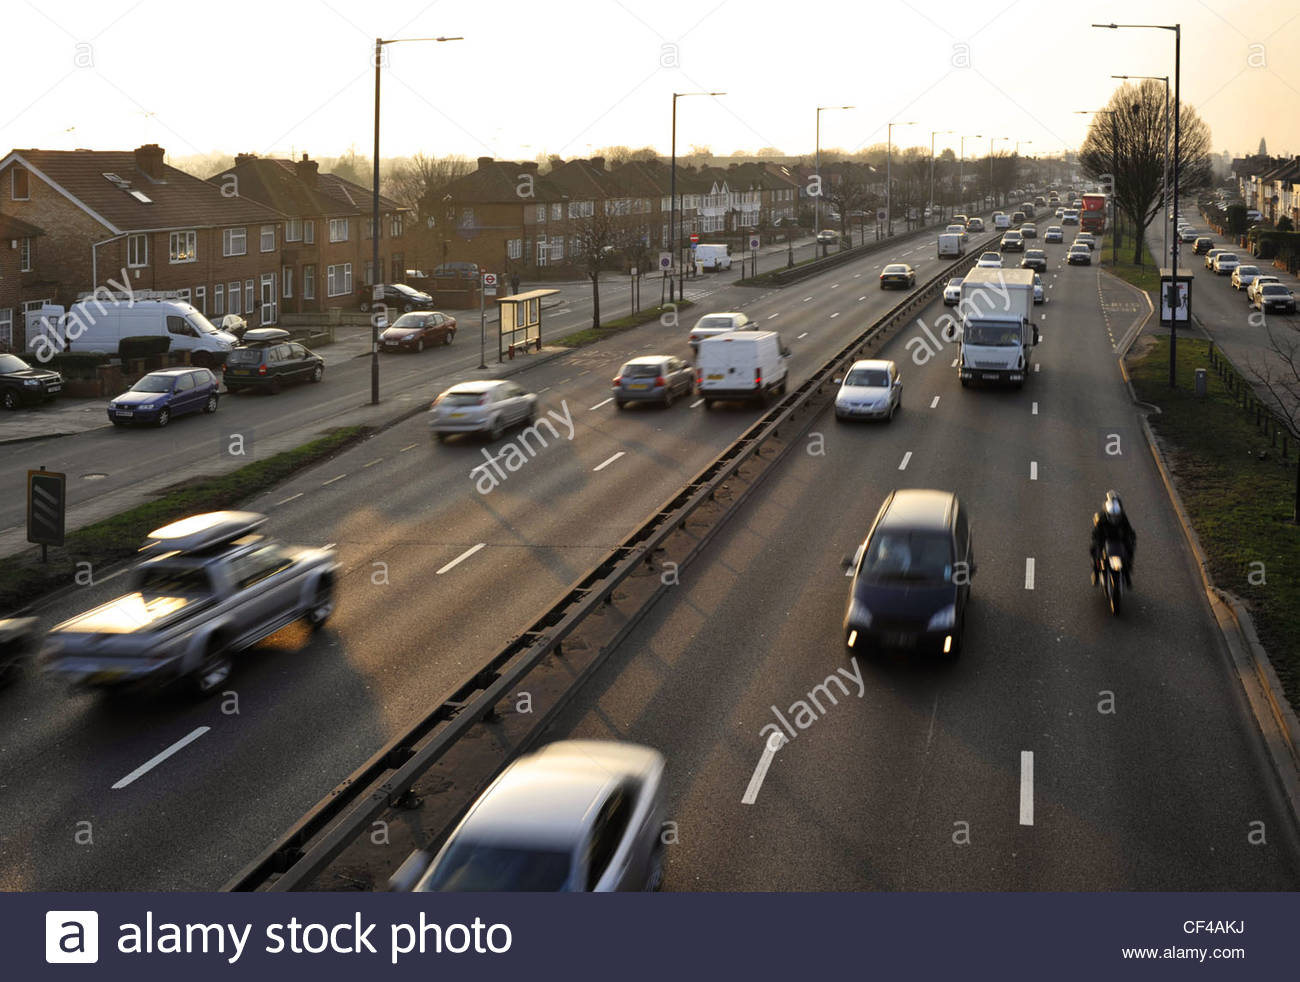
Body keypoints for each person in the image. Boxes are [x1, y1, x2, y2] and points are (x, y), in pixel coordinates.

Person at [1090, 490, 1136, 587]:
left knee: (1129, 551)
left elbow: (1129, 530)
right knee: (1095, 552)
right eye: (1112, 516)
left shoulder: (1123, 517)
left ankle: (1127, 574)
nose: (1114, 519)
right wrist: (1097, 539)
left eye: (1116, 516)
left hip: (1119, 539)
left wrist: (1131, 538)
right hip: (1105, 539)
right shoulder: (1101, 517)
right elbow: (1096, 532)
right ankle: (1096, 572)